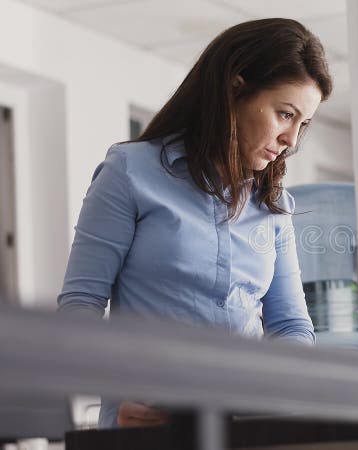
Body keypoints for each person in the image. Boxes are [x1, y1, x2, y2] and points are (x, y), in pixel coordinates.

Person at [57, 18, 332, 428]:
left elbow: (291, 325)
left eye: (302, 124)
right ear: (235, 91)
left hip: (245, 424)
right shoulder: (130, 171)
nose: (292, 139)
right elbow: (81, 306)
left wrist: (285, 387)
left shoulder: (273, 205)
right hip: (147, 424)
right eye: (285, 114)